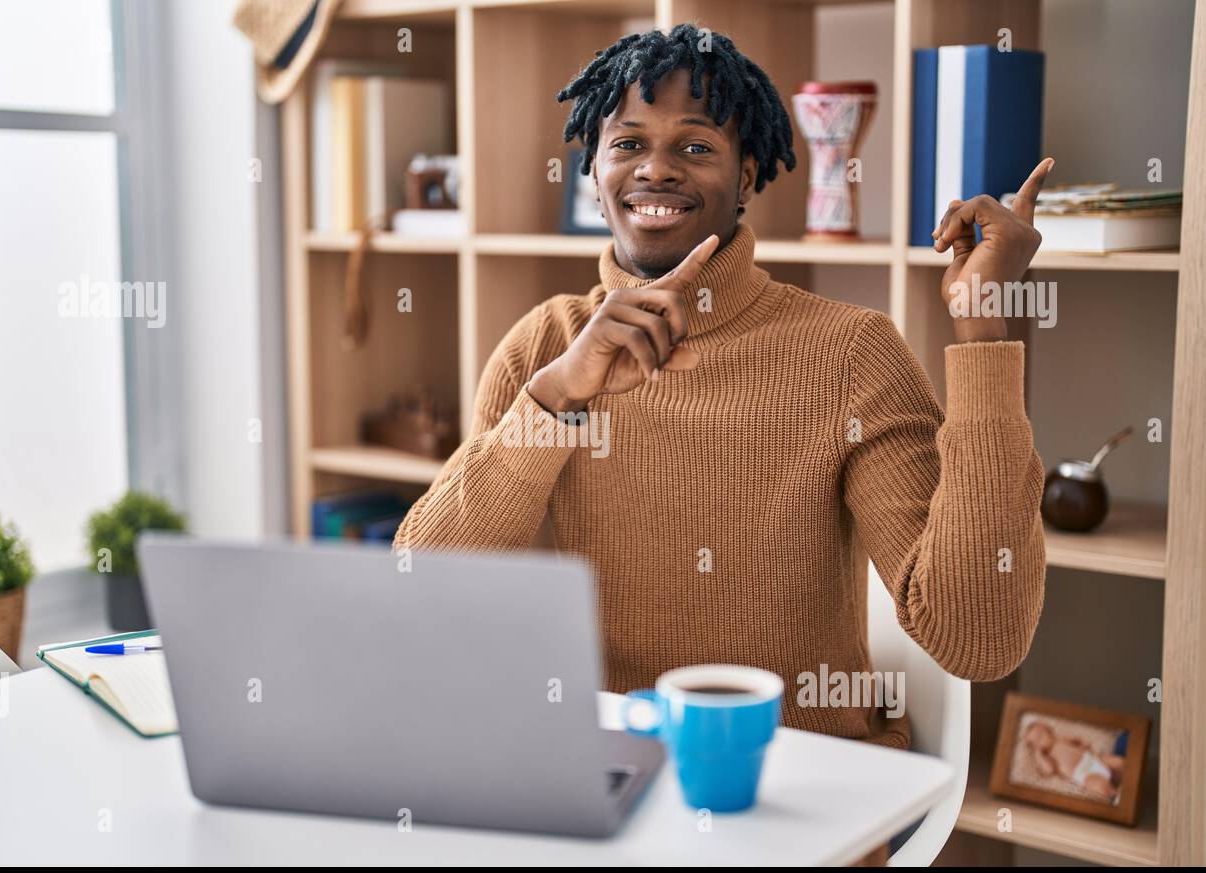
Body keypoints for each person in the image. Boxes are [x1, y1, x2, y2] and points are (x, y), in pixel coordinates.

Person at [394, 24, 1049, 755]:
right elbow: (424, 587)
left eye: (696, 147)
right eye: (627, 144)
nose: (656, 170)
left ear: (744, 179)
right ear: (595, 170)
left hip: (802, 776)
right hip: (614, 769)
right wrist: (555, 401)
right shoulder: (547, 348)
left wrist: (984, 337)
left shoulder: (850, 352)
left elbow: (976, 640)